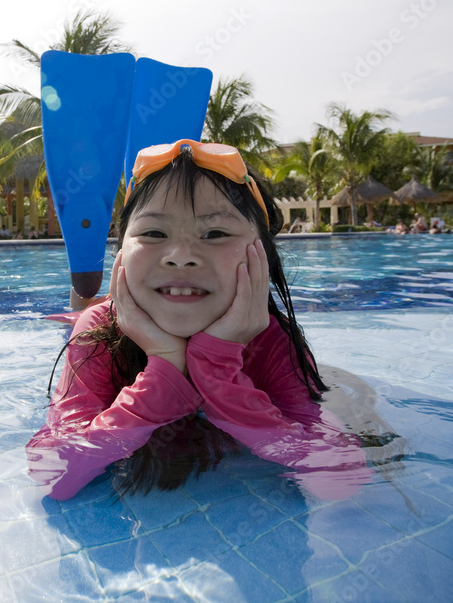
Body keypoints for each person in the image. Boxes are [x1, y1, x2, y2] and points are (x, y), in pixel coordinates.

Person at [28, 140, 372, 502]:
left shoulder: (272, 340)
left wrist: (217, 368)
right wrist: (163, 368)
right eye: (154, 233)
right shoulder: (101, 333)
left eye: (215, 234)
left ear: (263, 258)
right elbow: (54, 474)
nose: (181, 257)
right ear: (121, 253)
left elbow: (339, 478)